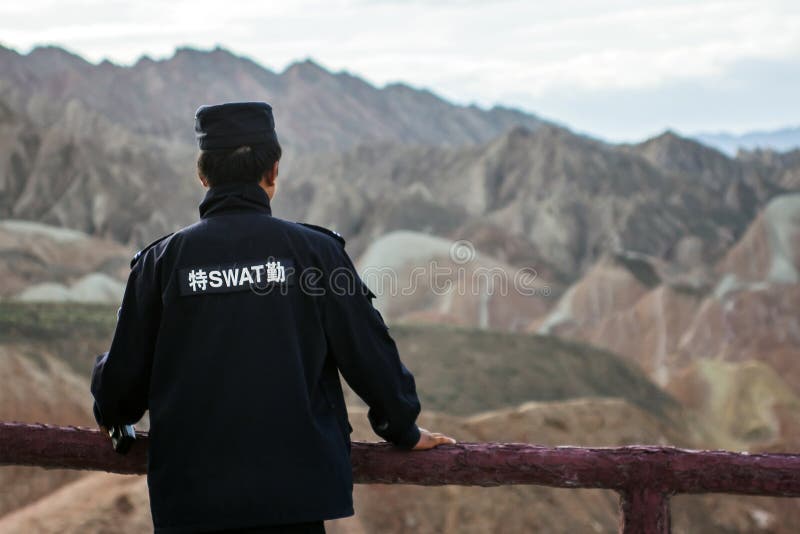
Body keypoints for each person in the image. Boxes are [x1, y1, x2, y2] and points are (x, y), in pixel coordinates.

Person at [90, 101, 456, 534]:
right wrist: (403, 427)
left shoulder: (160, 263)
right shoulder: (318, 254)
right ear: (274, 171)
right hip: (293, 501)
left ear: (203, 175)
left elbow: (118, 396)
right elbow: (368, 352)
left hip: (191, 502)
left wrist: (108, 394)